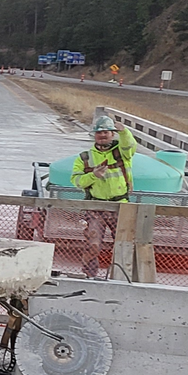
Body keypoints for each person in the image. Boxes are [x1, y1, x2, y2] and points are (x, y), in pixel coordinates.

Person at [70, 116, 138, 278]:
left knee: (124, 244)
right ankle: (89, 276)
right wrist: (93, 175)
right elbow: (77, 181)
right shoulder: (84, 158)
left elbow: (130, 145)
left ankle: (123, 277)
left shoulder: (122, 153)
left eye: (106, 132)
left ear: (112, 134)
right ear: (94, 135)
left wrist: (124, 132)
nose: (102, 135)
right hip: (95, 207)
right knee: (92, 245)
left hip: (120, 206)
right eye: (99, 132)